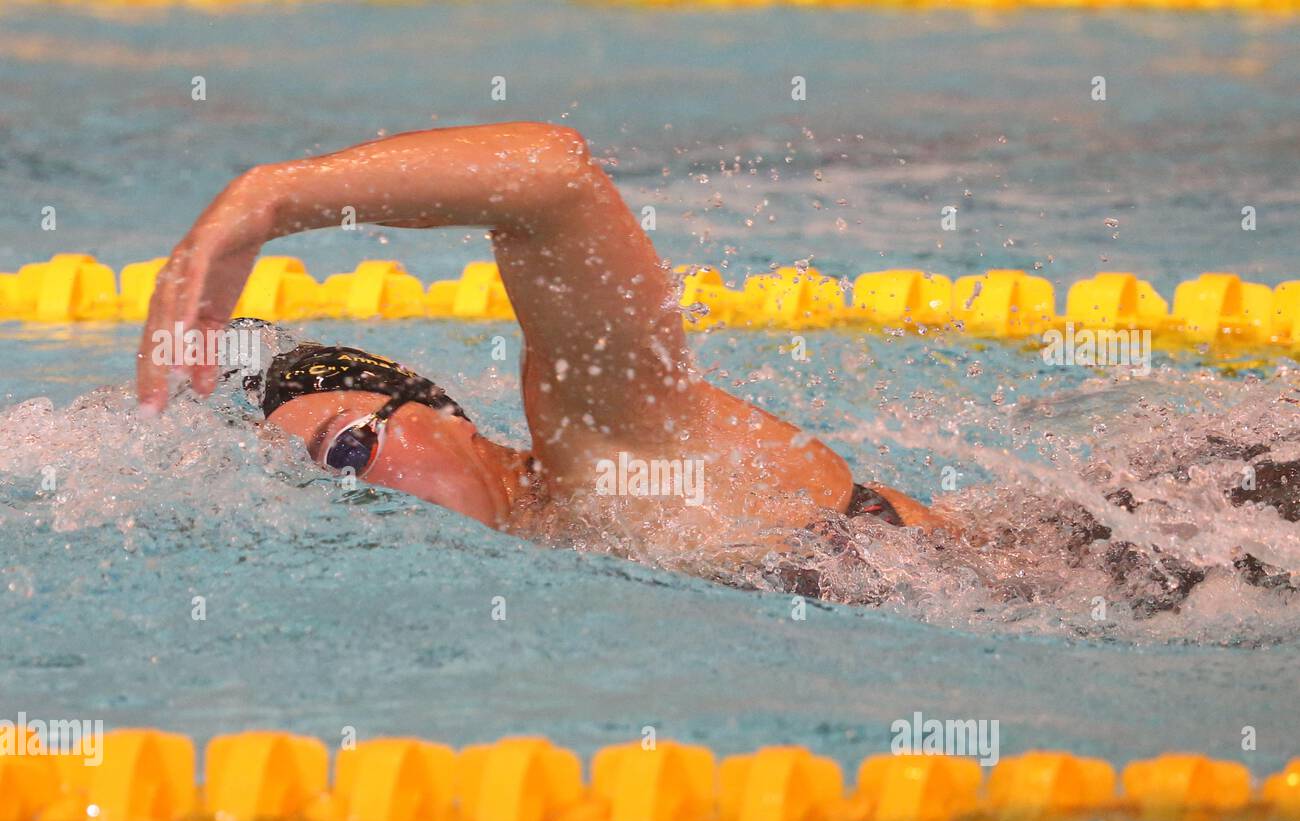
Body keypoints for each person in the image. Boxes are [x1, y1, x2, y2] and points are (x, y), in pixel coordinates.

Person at [137, 121, 1296, 609]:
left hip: (1194, 538)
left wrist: (263, 200)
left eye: (351, 449)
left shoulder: (598, 444)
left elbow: (549, 177)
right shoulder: (564, 572)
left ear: (437, 409)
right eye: (326, 493)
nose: (361, 495)